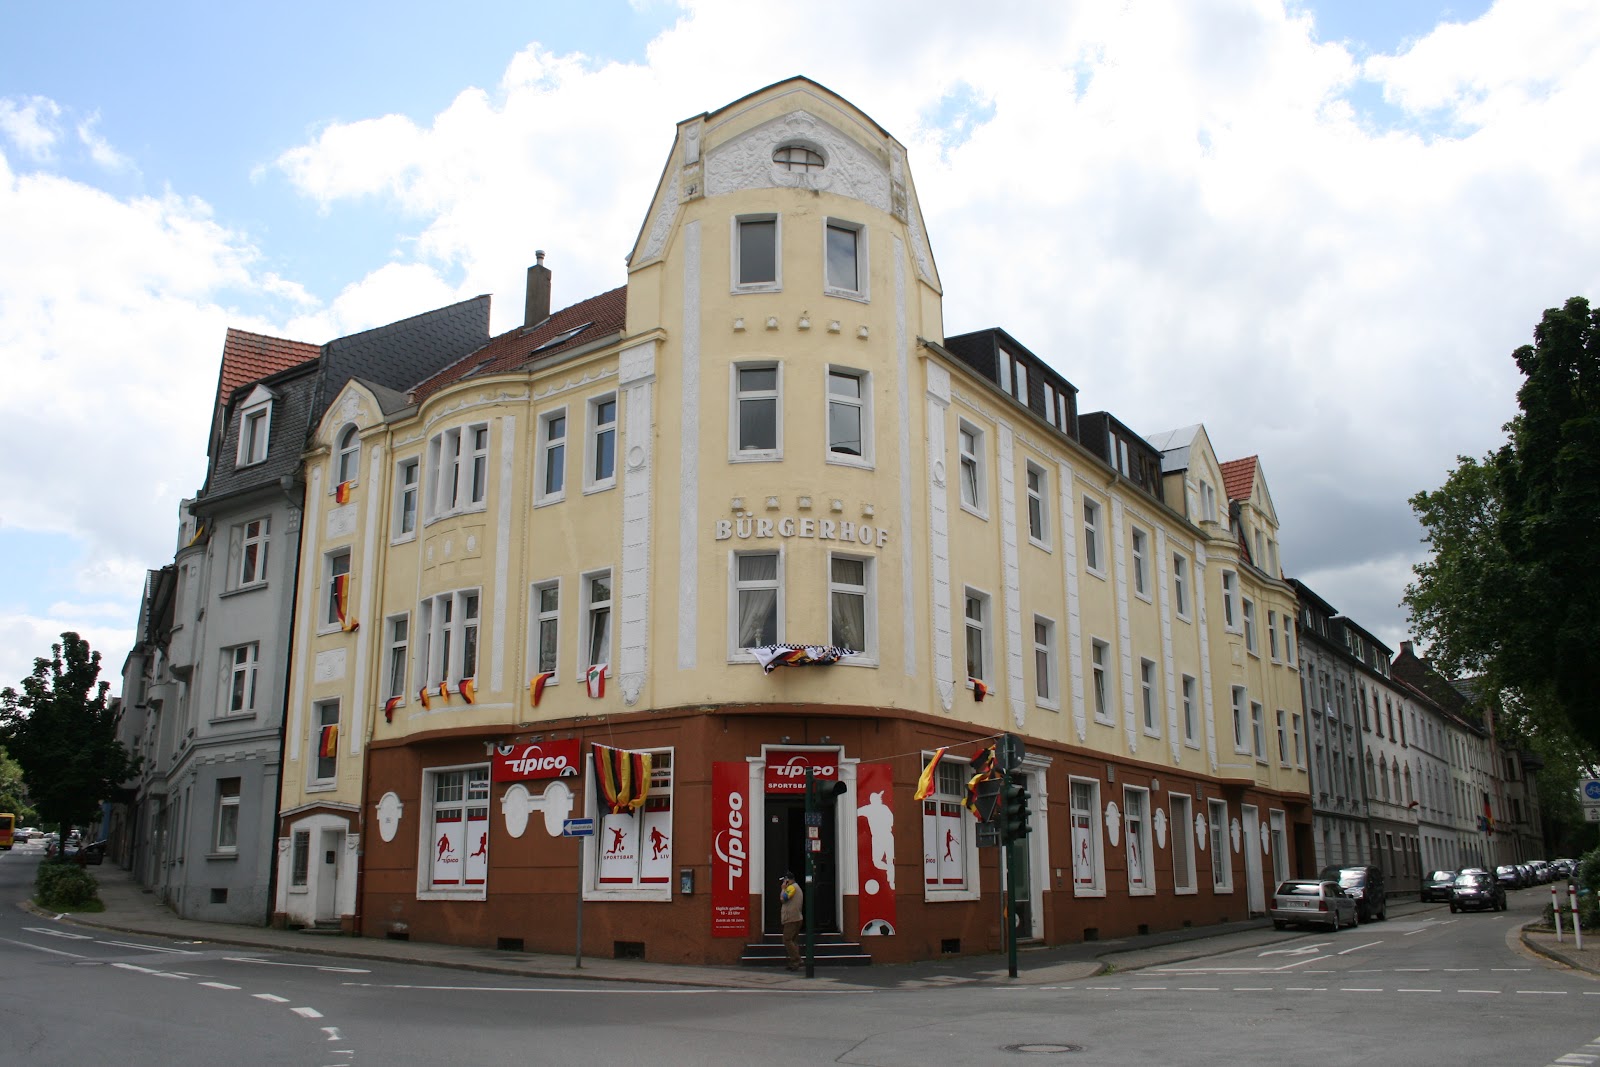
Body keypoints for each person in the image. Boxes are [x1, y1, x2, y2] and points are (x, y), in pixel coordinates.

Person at [779, 873, 804, 971]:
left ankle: (796, 959)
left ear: (788, 880)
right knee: (793, 941)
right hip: (796, 917)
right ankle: (795, 962)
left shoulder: (791, 888)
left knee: (787, 939)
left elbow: (783, 898)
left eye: (785, 881)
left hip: (791, 918)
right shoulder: (796, 887)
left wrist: (783, 888)